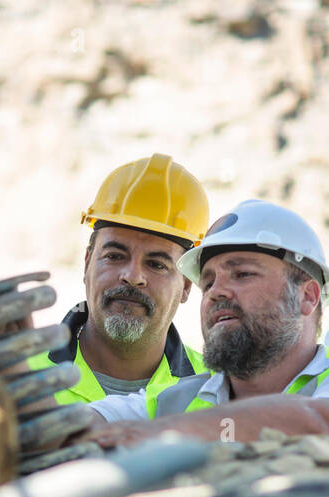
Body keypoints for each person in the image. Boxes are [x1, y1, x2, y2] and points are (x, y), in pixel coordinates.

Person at [81, 199, 329, 456]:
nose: (217, 291)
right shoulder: (177, 400)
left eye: (242, 274)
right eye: (208, 281)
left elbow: (324, 427)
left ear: (308, 297)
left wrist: (141, 437)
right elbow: (83, 426)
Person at [27, 154, 210, 416]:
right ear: (87, 263)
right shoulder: (19, 375)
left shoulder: (214, 392)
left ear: (187, 286)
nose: (133, 276)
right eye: (115, 256)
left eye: (157, 264)